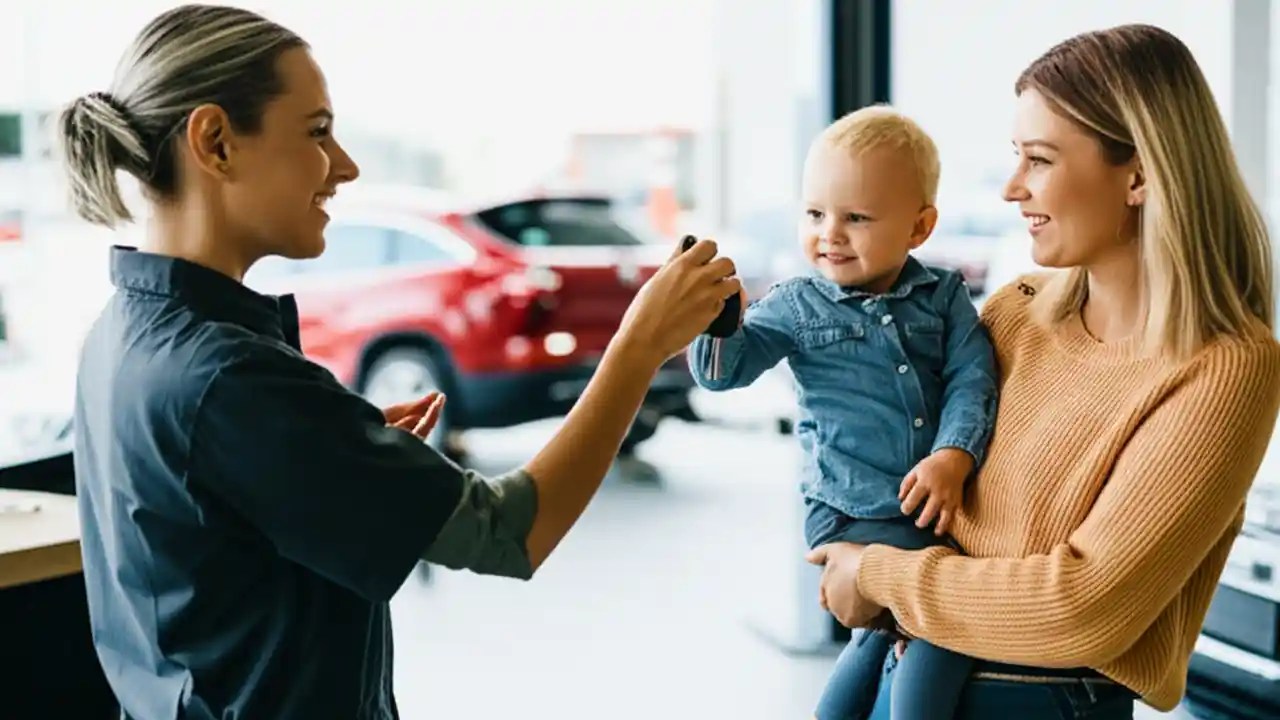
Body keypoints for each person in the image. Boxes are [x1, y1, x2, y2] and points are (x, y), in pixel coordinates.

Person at [57, 5, 741, 719]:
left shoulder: (119, 333)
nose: (344, 166)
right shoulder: (232, 379)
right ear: (216, 141)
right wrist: (636, 348)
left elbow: (206, 534)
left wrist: (333, 451)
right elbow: (511, 531)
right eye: (317, 132)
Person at [805, 24, 1280, 720]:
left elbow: (1084, 608)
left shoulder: (1223, 370)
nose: (1010, 188)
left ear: (1139, 175)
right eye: (1015, 157)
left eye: (1039, 160)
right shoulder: (1013, 315)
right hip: (893, 675)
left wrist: (876, 572)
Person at [689, 105, 998, 720]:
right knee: (947, 627)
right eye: (814, 214)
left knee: (879, 635)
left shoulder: (943, 296)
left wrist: (953, 454)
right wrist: (719, 321)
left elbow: (973, 377)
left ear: (920, 226)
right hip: (851, 509)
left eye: (855, 217)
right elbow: (722, 375)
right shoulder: (797, 304)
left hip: (927, 508)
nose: (829, 233)